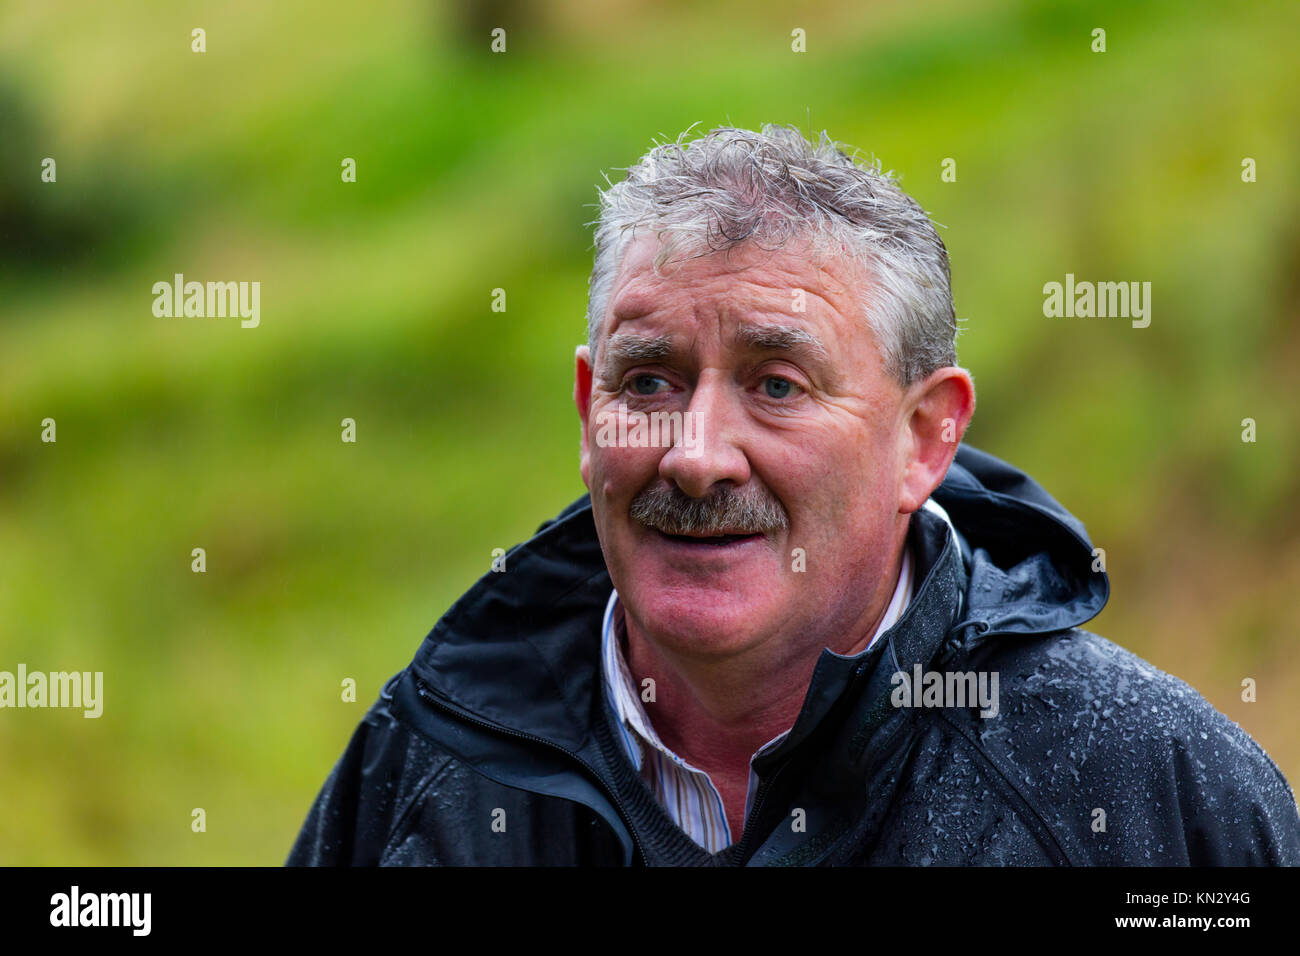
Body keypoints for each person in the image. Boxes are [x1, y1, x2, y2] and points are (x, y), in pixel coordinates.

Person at [287, 124, 1300, 865]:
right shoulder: (430, 757)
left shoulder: (1150, 794)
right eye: (650, 380)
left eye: (777, 385)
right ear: (590, 405)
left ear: (922, 438)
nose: (695, 456)